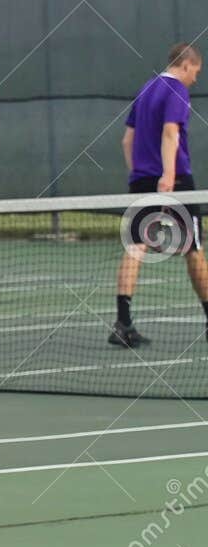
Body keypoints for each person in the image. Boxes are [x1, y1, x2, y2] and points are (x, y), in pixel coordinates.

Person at [110, 42, 203, 348]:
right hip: (173, 180)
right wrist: (167, 175)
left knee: (136, 246)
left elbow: (127, 140)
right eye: (196, 72)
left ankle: (123, 324)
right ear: (186, 64)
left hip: (141, 179)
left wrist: (139, 176)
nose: (196, 79)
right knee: (194, 250)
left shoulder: (146, 89)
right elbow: (170, 132)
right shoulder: (177, 89)